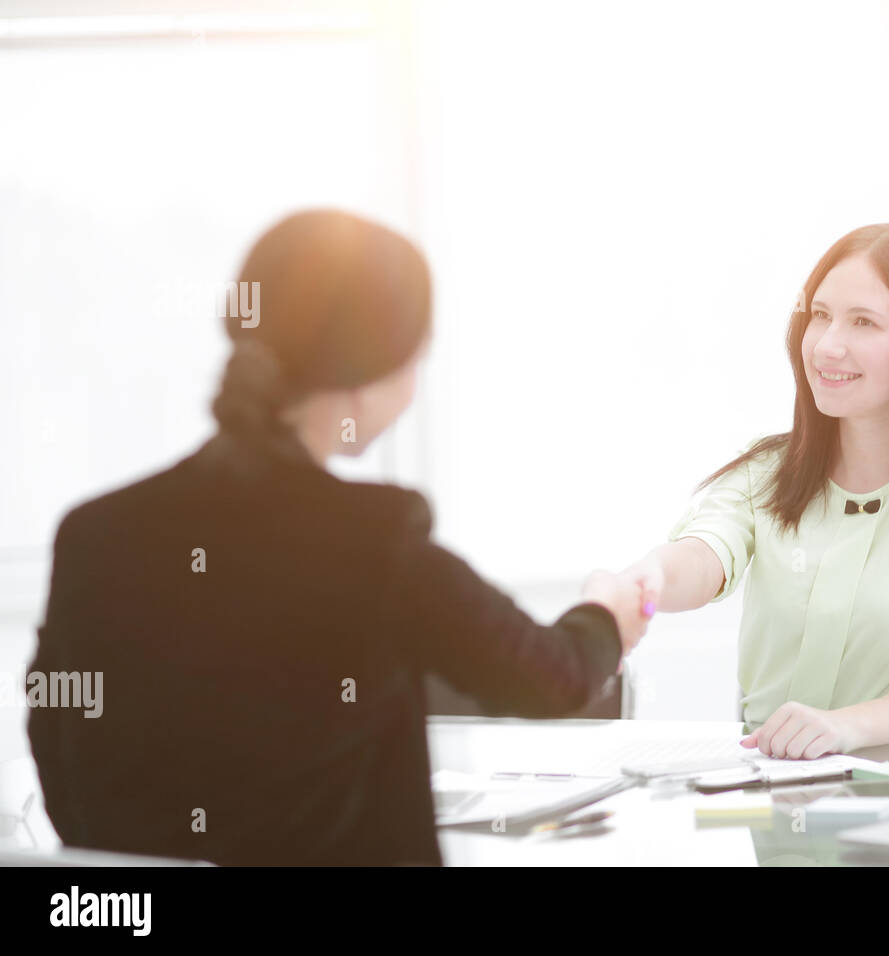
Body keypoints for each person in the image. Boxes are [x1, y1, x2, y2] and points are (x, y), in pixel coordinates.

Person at [26, 209, 649, 865]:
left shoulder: (95, 534)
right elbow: (550, 678)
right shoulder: (376, 545)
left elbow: (56, 737)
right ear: (372, 370)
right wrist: (609, 615)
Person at [618, 224, 889, 759]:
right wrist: (644, 582)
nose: (828, 345)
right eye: (821, 316)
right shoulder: (769, 471)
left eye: (863, 322)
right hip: (774, 799)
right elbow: (704, 555)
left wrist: (844, 728)